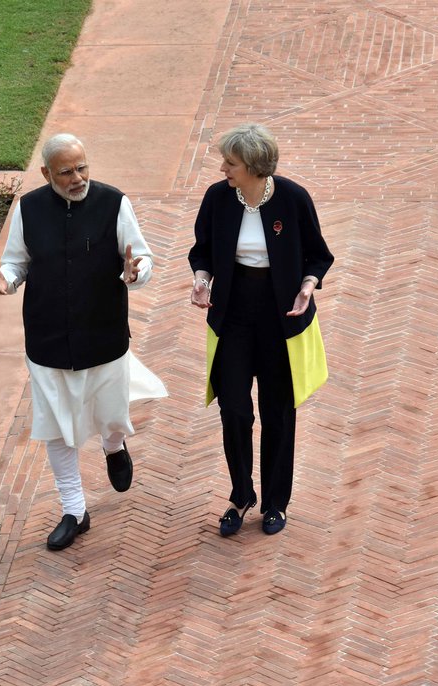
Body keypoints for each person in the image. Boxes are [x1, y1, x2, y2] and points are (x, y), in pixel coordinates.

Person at [0, 133, 166, 551]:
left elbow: (143, 257)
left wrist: (137, 273)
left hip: (104, 335)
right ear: (47, 173)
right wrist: (6, 280)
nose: (77, 177)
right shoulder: (29, 208)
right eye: (66, 172)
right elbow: (16, 261)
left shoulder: (114, 203)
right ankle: (74, 510)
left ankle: (114, 446)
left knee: (112, 415)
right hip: (47, 340)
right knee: (56, 429)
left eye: (82, 167)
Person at [188, 123, 334, 537]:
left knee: (277, 413)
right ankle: (240, 495)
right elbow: (202, 251)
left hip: (281, 318)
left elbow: (318, 256)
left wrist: (307, 287)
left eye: (230, 163)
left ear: (253, 166)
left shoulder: (292, 198)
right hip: (233, 314)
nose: (223, 169)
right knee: (233, 408)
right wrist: (201, 280)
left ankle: (274, 503)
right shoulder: (219, 198)